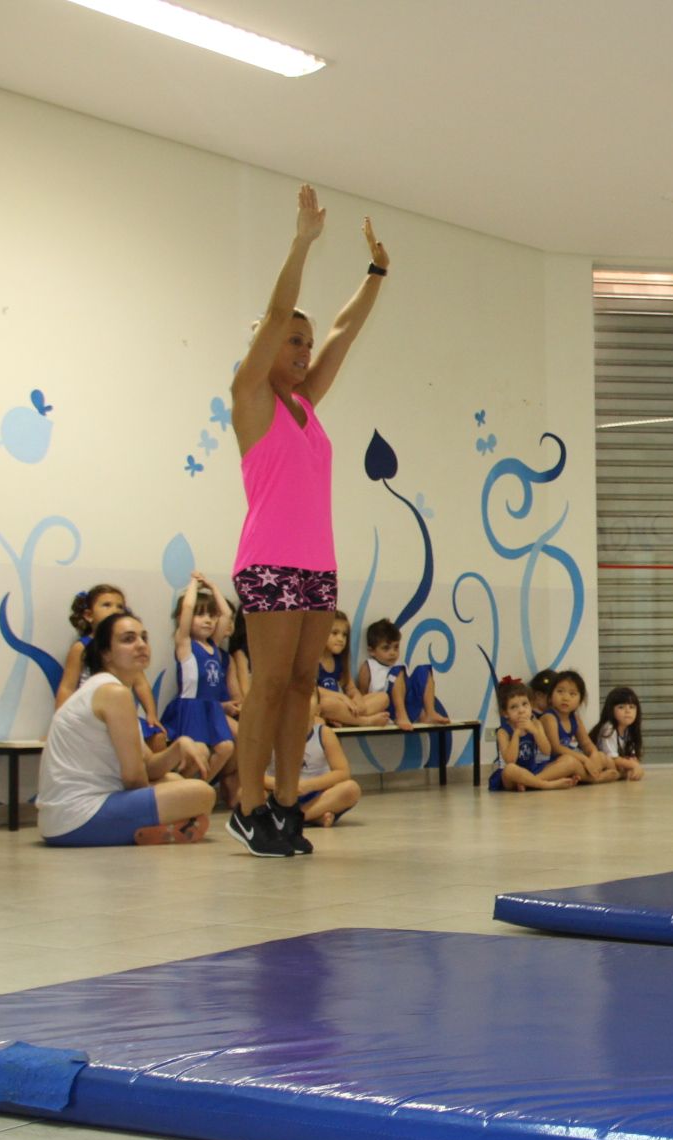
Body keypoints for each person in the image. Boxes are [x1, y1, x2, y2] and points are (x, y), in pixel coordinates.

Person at [227, 183, 389, 858]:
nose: (302, 351)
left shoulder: (307, 405)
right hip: (267, 562)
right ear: (268, 347)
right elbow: (272, 316)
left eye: (305, 343)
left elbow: (346, 330)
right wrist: (303, 242)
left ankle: (288, 803)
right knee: (267, 684)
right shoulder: (250, 399)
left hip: (317, 565)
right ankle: (246, 802)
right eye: (291, 342)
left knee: (304, 687)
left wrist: (376, 274)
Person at [36, 611, 217, 847]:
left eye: (144, 638)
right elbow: (134, 778)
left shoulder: (106, 689)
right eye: (128, 639)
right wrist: (167, 802)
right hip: (78, 818)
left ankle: (158, 827)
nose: (141, 645)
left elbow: (148, 767)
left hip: (59, 821)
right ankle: (154, 827)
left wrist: (179, 746)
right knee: (202, 793)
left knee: (172, 779)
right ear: (106, 653)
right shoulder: (114, 693)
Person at [59, 584, 168, 747]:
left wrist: (151, 714)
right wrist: (61, 722)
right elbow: (67, 688)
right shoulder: (81, 648)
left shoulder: (130, 653)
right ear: (89, 615)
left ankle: (153, 772)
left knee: (158, 737)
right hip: (93, 714)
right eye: (107, 605)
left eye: (120, 606)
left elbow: (141, 684)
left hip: (123, 714)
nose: (115, 610)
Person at [160, 574, 236, 785]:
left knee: (226, 747)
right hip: (191, 707)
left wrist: (212, 586)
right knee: (199, 751)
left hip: (212, 708)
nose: (208, 620)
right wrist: (194, 584)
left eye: (211, 616)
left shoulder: (214, 646)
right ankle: (179, 789)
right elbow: (186, 608)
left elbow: (227, 613)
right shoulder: (185, 644)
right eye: (200, 615)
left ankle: (200, 787)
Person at [266, 692, 361, 829]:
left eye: (308, 694)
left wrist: (309, 785)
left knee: (351, 789)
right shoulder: (270, 734)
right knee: (243, 793)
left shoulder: (324, 734)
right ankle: (314, 817)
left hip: (317, 796)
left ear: (318, 708)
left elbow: (342, 772)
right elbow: (257, 776)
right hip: (280, 794)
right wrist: (282, 786)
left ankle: (297, 817)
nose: (301, 699)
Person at [490, 678, 581, 791]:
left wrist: (535, 732)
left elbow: (546, 750)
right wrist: (516, 734)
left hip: (533, 770)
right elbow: (510, 760)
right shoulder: (503, 732)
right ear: (505, 713)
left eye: (525, 704)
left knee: (569, 760)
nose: (521, 710)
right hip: (513, 776)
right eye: (514, 707)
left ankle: (530, 782)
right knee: (509, 769)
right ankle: (546, 785)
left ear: (531, 705)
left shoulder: (536, 723)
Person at [314, 611, 388, 726]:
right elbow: (313, 690)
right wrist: (342, 697)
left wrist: (357, 698)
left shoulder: (339, 660)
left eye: (344, 635)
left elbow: (350, 688)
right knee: (327, 704)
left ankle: (345, 720)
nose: (340, 639)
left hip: (342, 706)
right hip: (326, 706)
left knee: (383, 697)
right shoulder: (312, 661)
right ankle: (365, 721)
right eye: (335, 633)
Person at [547, 670, 615, 783]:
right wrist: (584, 759)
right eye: (560, 691)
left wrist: (593, 755)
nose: (565, 698)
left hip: (572, 758)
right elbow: (556, 748)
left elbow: (586, 743)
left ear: (580, 701)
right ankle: (596, 778)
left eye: (572, 694)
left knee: (601, 756)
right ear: (550, 696)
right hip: (552, 762)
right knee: (571, 763)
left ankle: (597, 775)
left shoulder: (575, 719)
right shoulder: (549, 717)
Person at [359, 619, 410, 727]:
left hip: (405, 707)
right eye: (386, 648)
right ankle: (400, 714)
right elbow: (362, 696)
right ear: (372, 651)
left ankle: (428, 713)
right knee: (397, 672)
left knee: (424, 670)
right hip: (384, 708)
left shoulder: (401, 666)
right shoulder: (368, 666)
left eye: (396, 647)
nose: (392, 653)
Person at [593, 685, 645, 782]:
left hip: (612, 766)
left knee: (623, 766)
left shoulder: (629, 730)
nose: (628, 711)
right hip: (600, 762)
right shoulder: (609, 728)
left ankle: (618, 774)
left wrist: (634, 766)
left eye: (632, 707)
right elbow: (613, 758)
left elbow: (631, 757)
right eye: (621, 707)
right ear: (611, 710)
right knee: (609, 762)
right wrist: (634, 766)